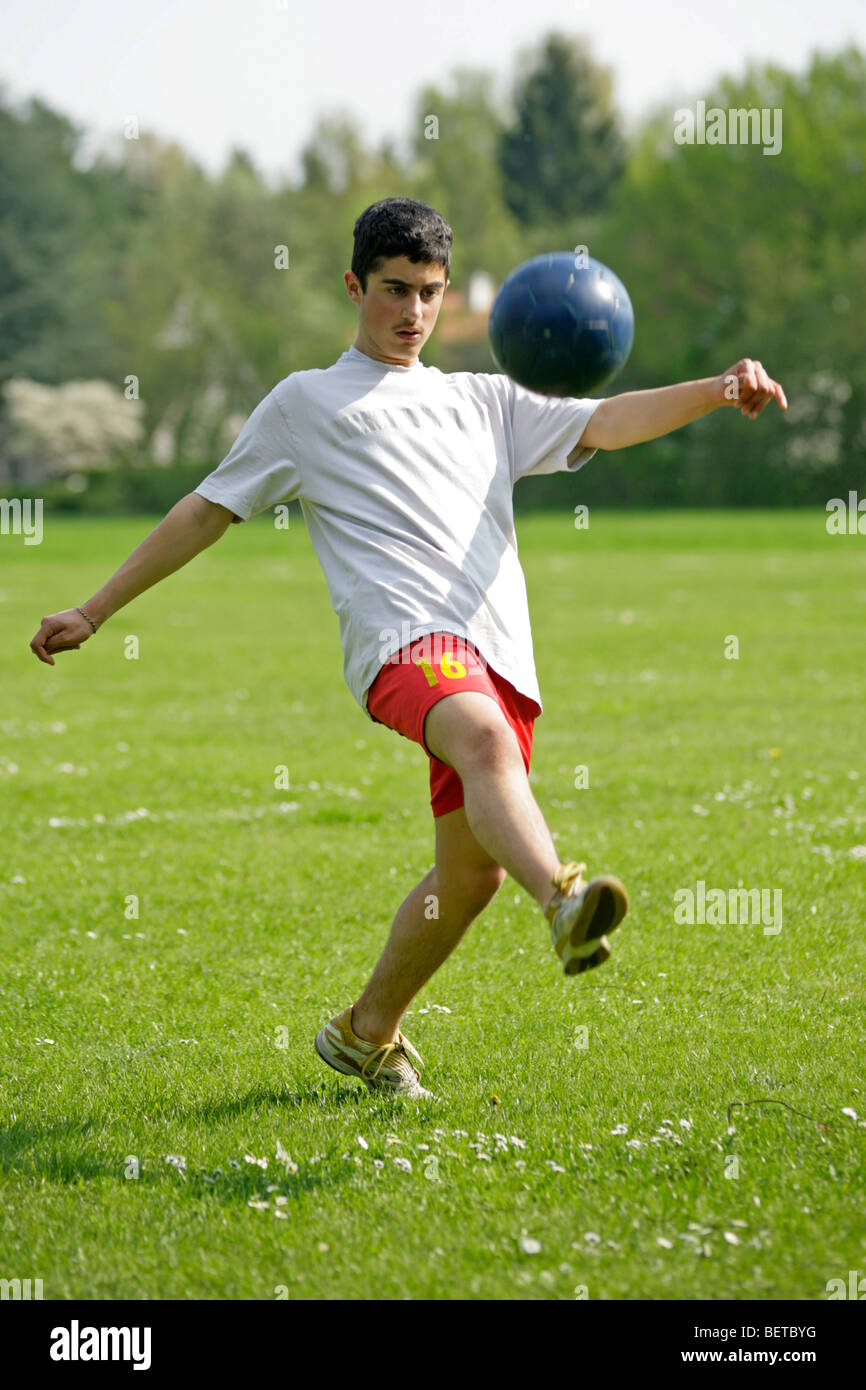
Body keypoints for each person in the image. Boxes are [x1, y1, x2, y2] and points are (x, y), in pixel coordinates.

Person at [30, 197, 787, 1101]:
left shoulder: (484, 399)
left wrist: (717, 388)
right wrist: (97, 608)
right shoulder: (305, 402)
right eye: (394, 290)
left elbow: (607, 419)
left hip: (497, 653)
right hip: (401, 643)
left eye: (429, 294)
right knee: (485, 745)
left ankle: (365, 1033)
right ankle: (564, 900)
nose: (412, 313)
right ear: (354, 287)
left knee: (465, 879)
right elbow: (206, 509)